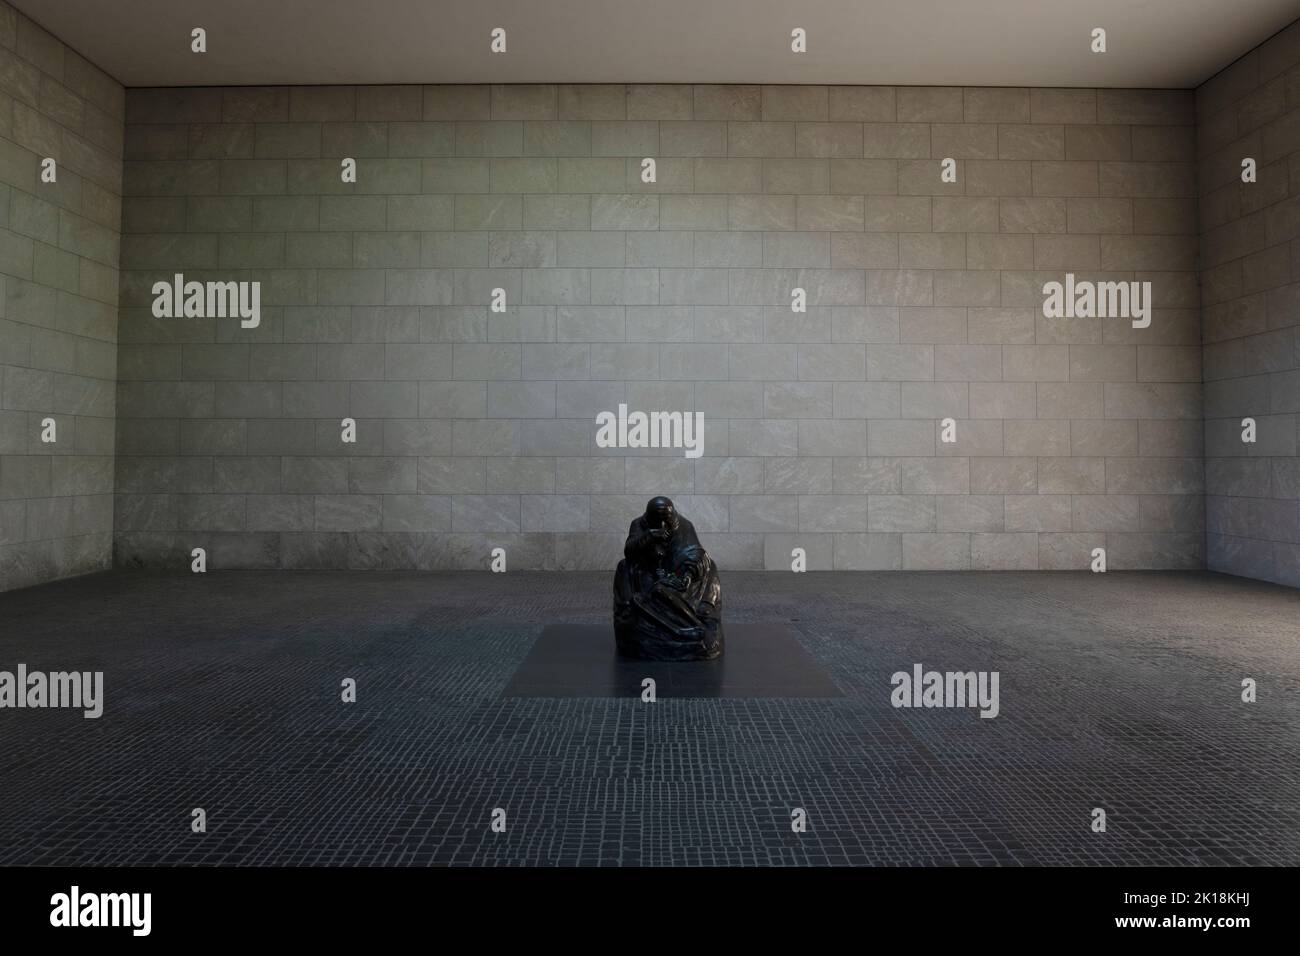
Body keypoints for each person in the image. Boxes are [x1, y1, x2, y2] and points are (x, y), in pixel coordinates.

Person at [613, 496, 724, 661]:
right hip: (647, 573)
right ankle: (645, 619)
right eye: (656, 520)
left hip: (678, 575)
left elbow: (695, 554)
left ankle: (702, 615)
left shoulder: (685, 526)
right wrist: (649, 536)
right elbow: (629, 552)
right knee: (624, 567)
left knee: (710, 566)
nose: (663, 525)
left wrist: (687, 574)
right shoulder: (639, 524)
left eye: (666, 520)